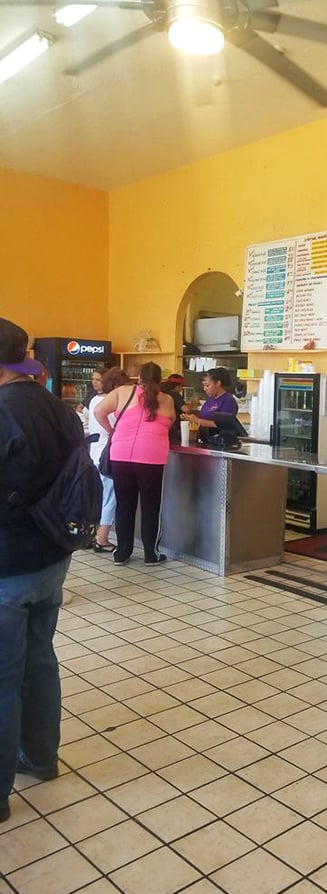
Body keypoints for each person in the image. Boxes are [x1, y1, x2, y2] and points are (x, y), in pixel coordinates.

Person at [0, 318, 84, 823]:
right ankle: (40, 758)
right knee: (39, 660)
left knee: (3, 677)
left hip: (7, 563)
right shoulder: (59, 408)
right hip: (53, 556)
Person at [94, 361, 175, 566]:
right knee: (150, 507)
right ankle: (150, 555)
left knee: (124, 505)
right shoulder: (167, 399)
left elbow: (98, 411)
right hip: (151, 457)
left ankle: (122, 553)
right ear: (160, 380)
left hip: (121, 455)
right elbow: (170, 423)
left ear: (139, 378)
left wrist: (111, 430)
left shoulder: (123, 392)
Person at [88, 366, 129, 552]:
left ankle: (92, 533)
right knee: (111, 496)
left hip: (94, 452)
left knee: (98, 495)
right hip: (109, 454)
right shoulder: (114, 404)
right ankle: (102, 538)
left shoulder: (94, 400)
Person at [185, 366, 238, 434]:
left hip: (219, 438)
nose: (204, 389)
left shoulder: (228, 400)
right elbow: (204, 417)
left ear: (218, 383)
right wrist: (191, 417)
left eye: (207, 385)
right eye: (204, 386)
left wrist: (197, 420)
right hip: (204, 437)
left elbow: (222, 424)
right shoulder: (210, 399)